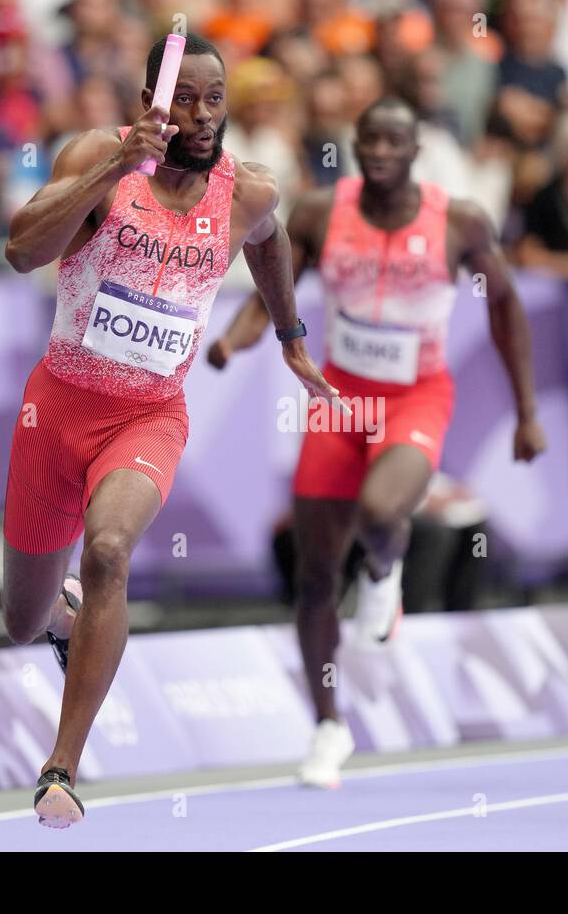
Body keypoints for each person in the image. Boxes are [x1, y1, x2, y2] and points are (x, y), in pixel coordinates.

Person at [0, 33, 335, 828]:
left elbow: (272, 241)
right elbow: (21, 250)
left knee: (111, 548)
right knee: (20, 620)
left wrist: (289, 336)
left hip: (149, 417)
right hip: (56, 410)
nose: (203, 113)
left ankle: (62, 767)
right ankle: (59, 613)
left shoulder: (245, 191)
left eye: (215, 98)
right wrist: (116, 169)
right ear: (150, 100)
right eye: (184, 97)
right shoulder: (96, 157)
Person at [208, 97, 546, 789]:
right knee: (313, 573)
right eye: (370, 142)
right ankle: (328, 725)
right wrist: (232, 342)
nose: (381, 152)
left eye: (395, 142)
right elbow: (272, 293)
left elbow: (507, 306)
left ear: (416, 149)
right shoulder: (318, 213)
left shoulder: (460, 222)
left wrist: (526, 412)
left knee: (382, 510)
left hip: (416, 395)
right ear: (356, 145)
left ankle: (386, 578)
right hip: (339, 397)